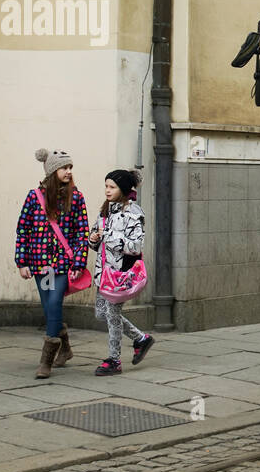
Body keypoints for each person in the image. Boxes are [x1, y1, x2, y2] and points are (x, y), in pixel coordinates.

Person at [15, 149, 90, 378]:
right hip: (41, 265)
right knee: (50, 308)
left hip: (62, 265)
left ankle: (45, 361)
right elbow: (23, 230)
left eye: (70, 167)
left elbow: (81, 232)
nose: (68, 171)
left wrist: (78, 262)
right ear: (52, 171)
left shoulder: (76, 198)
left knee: (55, 301)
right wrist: (22, 261)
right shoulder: (34, 197)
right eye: (64, 168)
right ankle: (65, 348)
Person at [89, 168, 155, 375]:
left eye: (112, 187)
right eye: (106, 186)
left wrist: (107, 236)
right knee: (102, 314)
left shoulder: (134, 214)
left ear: (124, 189)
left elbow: (135, 246)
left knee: (112, 313)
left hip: (120, 275)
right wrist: (92, 239)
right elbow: (95, 235)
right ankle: (141, 339)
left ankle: (114, 361)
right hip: (103, 274)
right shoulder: (105, 210)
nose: (107, 190)